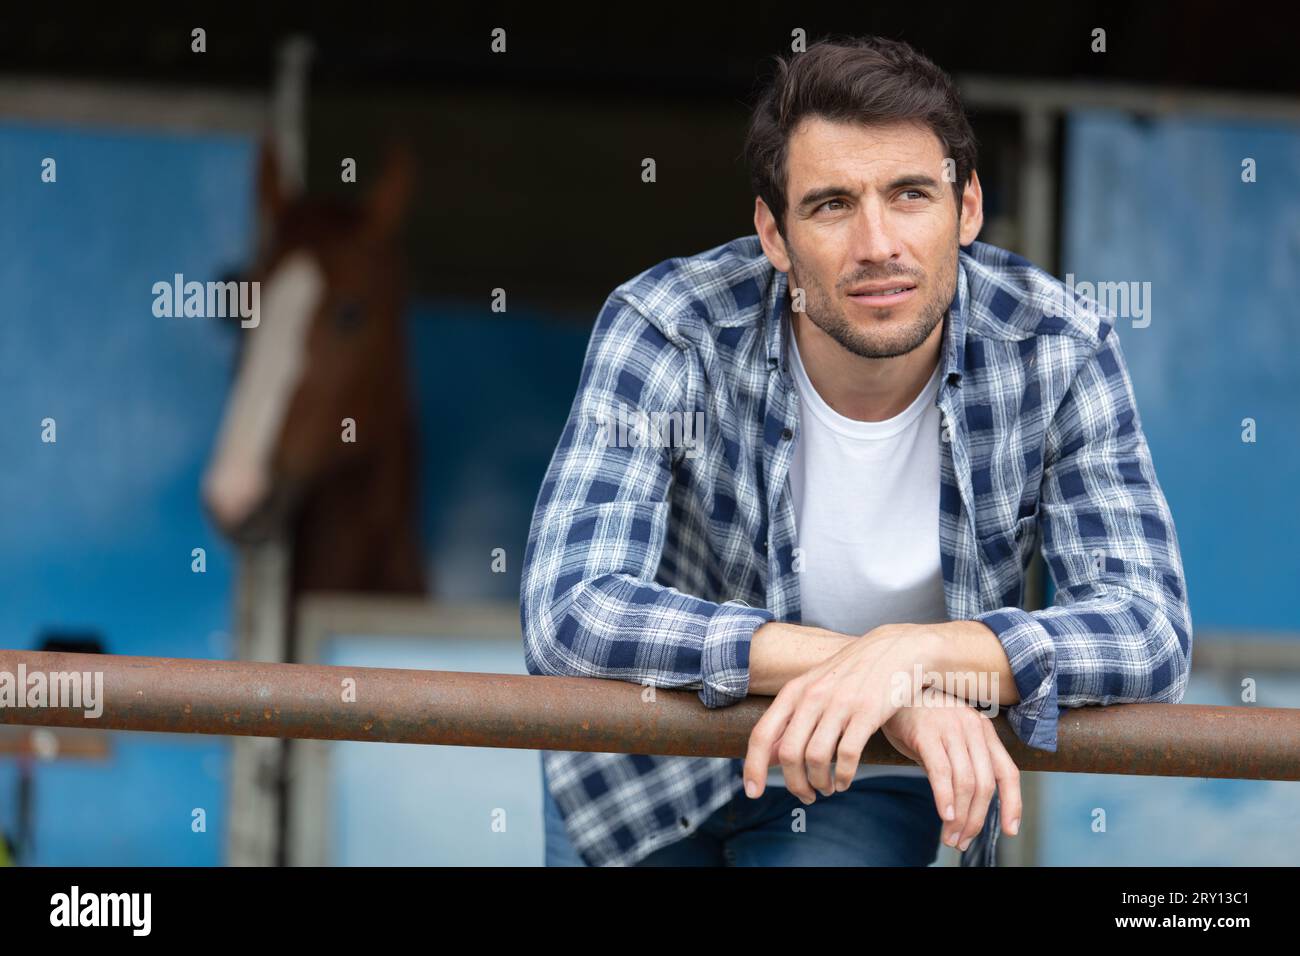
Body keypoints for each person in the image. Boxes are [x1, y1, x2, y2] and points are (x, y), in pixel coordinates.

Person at [520, 35, 1192, 867]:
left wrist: (912, 652)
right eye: (832, 205)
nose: (878, 244)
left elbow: (1148, 630)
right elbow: (568, 609)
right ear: (774, 233)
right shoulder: (670, 325)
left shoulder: (1054, 347)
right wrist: (879, 680)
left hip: (865, 780)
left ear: (968, 208)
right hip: (644, 769)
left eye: (911, 194)